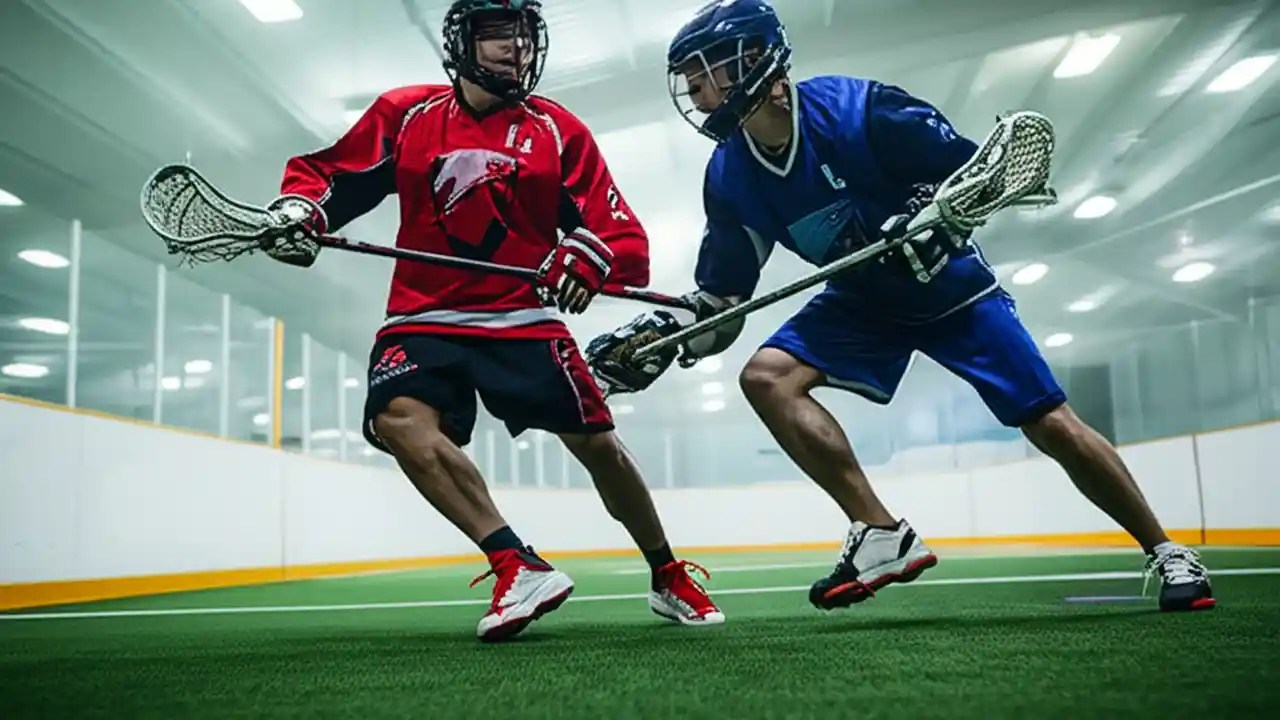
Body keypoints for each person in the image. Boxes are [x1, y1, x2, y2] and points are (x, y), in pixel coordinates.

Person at [588, 0, 1213, 613]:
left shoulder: (860, 110)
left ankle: (1167, 550)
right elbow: (725, 300)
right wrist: (668, 338)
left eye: (704, 72)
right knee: (767, 378)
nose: (694, 91)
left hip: (952, 291)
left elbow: (985, 170)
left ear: (754, 61)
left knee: (1052, 425)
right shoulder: (728, 175)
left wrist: (937, 218)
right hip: (861, 301)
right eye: (688, 78)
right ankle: (881, 533)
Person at [263, 0, 723, 641]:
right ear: (462, 42)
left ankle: (666, 572)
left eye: (525, 35)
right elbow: (329, 176)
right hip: (423, 315)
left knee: (597, 446)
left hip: (522, 316)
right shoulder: (406, 115)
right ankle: (515, 562)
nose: (516, 47)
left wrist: (587, 253)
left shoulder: (558, 131)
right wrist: (299, 210)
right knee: (397, 418)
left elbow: (624, 240)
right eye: (498, 33)